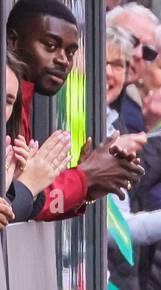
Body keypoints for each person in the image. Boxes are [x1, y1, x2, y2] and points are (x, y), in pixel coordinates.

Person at [8, 0, 144, 221]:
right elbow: (12, 204)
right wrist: (85, 177)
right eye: (50, 46)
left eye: (70, 53)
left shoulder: (26, 100)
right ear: (13, 41)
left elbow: (28, 201)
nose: (63, 60)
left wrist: (86, 187)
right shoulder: (2, 102)